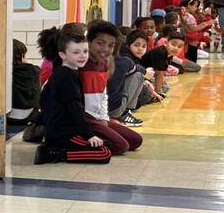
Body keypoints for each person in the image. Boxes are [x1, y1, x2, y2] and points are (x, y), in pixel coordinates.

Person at [36, 28, 111, 164]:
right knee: (104, 153)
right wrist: (88, 135)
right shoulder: (66, 77)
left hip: (62, 129)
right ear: (63, 55)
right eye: (76, 52)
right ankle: (55, 153)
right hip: (63, 133)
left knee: (106, 145)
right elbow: (75, 108)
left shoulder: (66, 72)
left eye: (85, 51)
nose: (82, 56)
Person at [81, 20, 142, 152]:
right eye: (99, 43)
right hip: (82, 119)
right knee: (121, 146)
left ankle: (97, 135)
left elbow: (103, 95)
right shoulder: (81, 63)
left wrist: (104, 118)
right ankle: (73, 142)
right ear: (89, 42)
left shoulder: (104, 64)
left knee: (136, 140)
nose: (105, 49)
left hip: (97, 118)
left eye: (110, 45)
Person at [109, 29, 153, 123]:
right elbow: (137, 70)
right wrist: (145, 73)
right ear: (127, 45)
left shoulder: (123, 58)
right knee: (139, 77)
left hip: (107, 106)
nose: (140, 48)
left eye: (143, 46)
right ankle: (124, 113)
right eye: (136, 45)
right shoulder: (125, 59)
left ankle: (125, 112)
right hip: (113, 108)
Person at [9, 38, 40, 123]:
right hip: (30, 117)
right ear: (21, 56)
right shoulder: (35, 71)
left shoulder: (4, 74)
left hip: (8, 118)